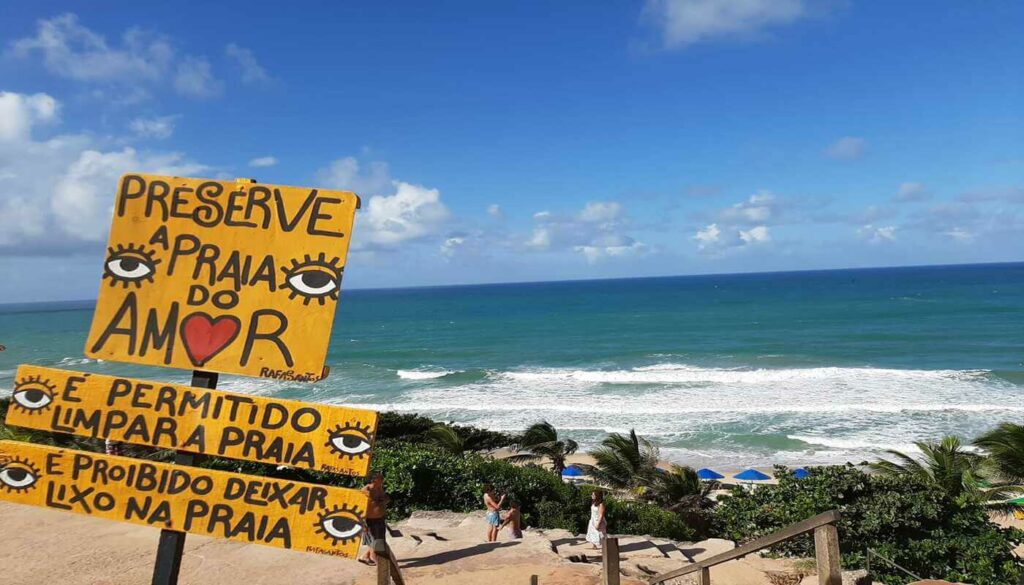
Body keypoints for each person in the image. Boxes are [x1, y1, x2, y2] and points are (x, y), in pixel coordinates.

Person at [358, 471, 390, 566]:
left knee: (380, 541)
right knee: (375, 542)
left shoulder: (379, 488)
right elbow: (359, 508)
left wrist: (384, 500)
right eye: (380, 478)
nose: (382, 479)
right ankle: (377, 562)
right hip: (370, 520)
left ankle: (364, 557)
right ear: (373, 479)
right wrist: (363, 524)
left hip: (380, 519)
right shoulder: (365, 491)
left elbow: (385, 499)